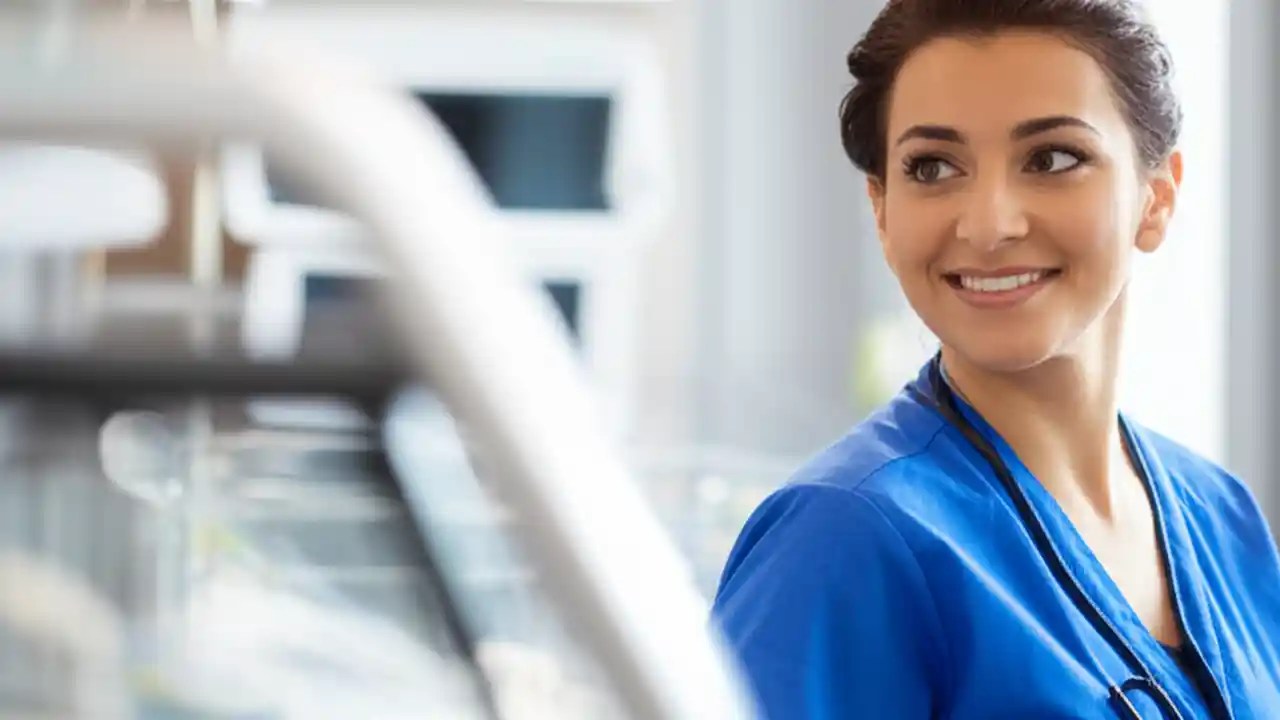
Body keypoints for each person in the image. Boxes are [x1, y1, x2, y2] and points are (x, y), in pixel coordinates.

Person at [710, 1, 1280, 718]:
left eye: (1051, 159)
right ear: (882, 211)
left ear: (1156, 197)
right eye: (934, 167)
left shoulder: (1220, 517)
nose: (988, 225)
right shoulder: (841, 542)